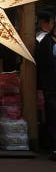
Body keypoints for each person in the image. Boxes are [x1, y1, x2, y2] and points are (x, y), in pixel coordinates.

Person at [36, 23, 56, 160]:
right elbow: (42, 65)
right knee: (52, 115)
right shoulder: (45, 42)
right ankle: (54, 148)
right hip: (51, 84)